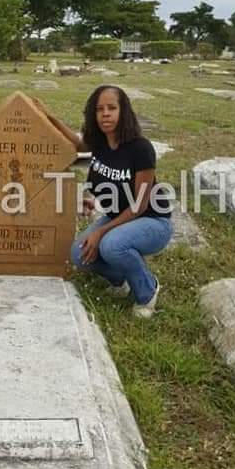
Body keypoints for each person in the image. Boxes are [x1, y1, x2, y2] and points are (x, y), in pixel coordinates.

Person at [35, 85, 173, 318]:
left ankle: (147, 291)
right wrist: (47, 115)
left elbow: (139, 204)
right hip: (118, 216)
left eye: (112, 108)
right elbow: (77, 145)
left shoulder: (140, 148)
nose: (105, 114)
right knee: (79, 254)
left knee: (110, 245)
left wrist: (101, 232)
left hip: (152, 220)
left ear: (123, 111)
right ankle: (121, 280)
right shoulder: (99, 142)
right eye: (100, 109)